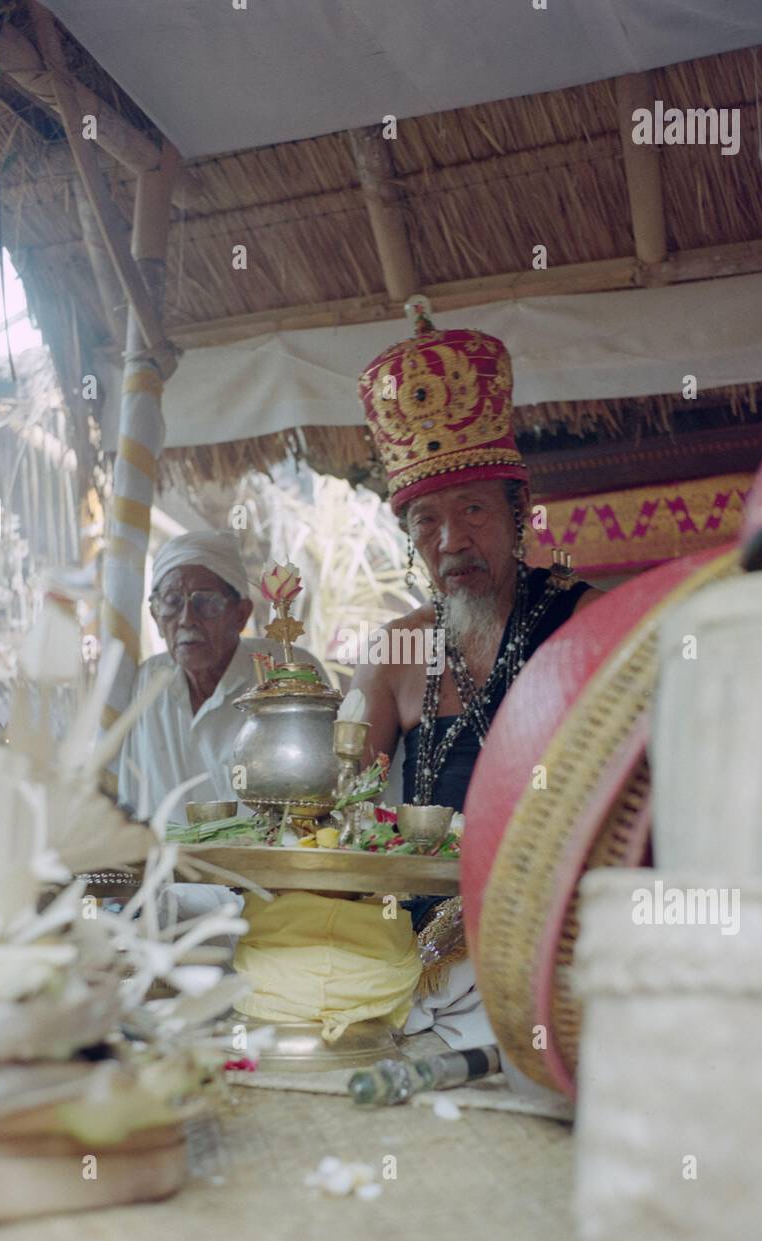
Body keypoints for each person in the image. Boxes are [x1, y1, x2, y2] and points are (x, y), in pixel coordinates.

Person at [352, 310, 600, 1045]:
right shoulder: (395, 653)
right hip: (425, 953)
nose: (451, 540)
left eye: (471, 510)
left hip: (565, 942)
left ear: (517, 512)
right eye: (426, 521)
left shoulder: (586, 624)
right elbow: (343, 821)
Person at [117, 529, 325, 822]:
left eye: (205, 602)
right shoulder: (149, 682)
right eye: (172, 601)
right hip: (169, 865)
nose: (187, 619)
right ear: (155, 616)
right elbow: (131, 802)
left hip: (269, 864)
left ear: (240, 614)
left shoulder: (289, 673)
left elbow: (326, 794)